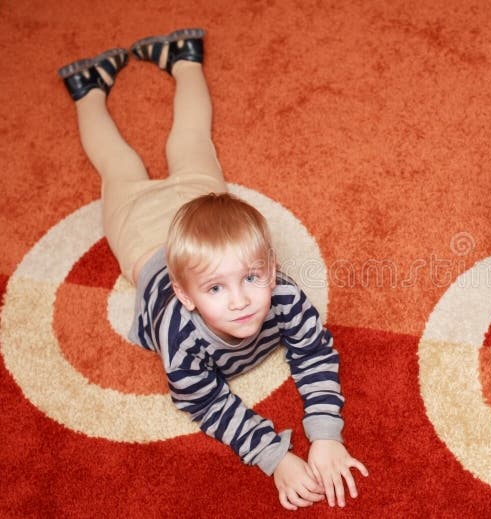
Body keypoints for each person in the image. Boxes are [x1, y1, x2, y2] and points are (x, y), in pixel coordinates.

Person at [58, 28, 367, 510]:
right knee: (120, 165)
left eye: (252, 277)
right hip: (141, 230)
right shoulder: (180, 336)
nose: (241, 300)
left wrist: (326, 434)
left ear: (272, 268)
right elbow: (204, 402)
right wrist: (273, 456)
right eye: (215, 289)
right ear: (184, 295)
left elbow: (314, 351)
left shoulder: (284, 294)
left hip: (202, 206)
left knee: (190, 140)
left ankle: (184, 57)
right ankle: (88, 90)